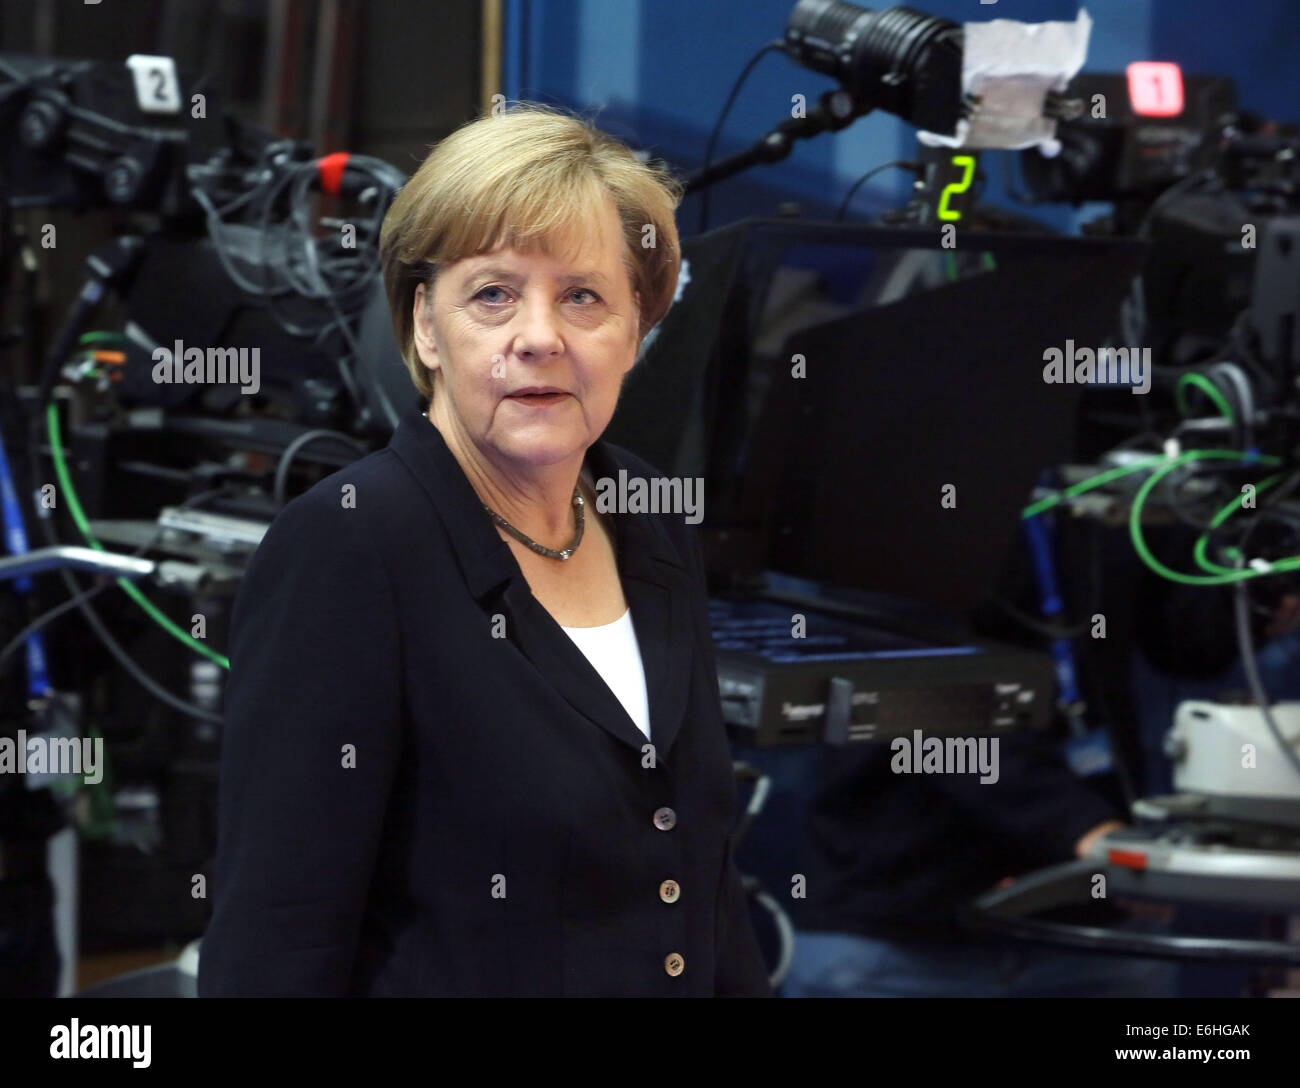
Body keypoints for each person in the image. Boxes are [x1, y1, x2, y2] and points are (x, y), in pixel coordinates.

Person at [197, 103, 771, 997]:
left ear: (635, 331)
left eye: (583, 296)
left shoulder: (648, 518)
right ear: (427, 327)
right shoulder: (353, 541)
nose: (539, 336)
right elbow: (278, 939)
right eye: (493, 294)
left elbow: (704, 880)